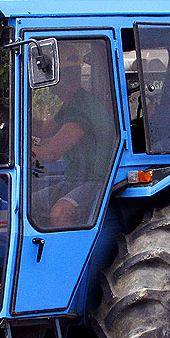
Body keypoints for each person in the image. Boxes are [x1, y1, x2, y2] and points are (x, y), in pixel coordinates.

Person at [31, 46, 115, 228]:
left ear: (62, 78)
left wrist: (16, 154)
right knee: (28, 204)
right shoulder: (73, 104)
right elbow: (45, 129)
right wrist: (6, 112)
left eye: (49, 79)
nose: (49, 87)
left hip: (98, 182)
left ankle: (62, 256)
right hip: (76, 179)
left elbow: (51, 153)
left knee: (61, 211)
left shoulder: (82, 108)